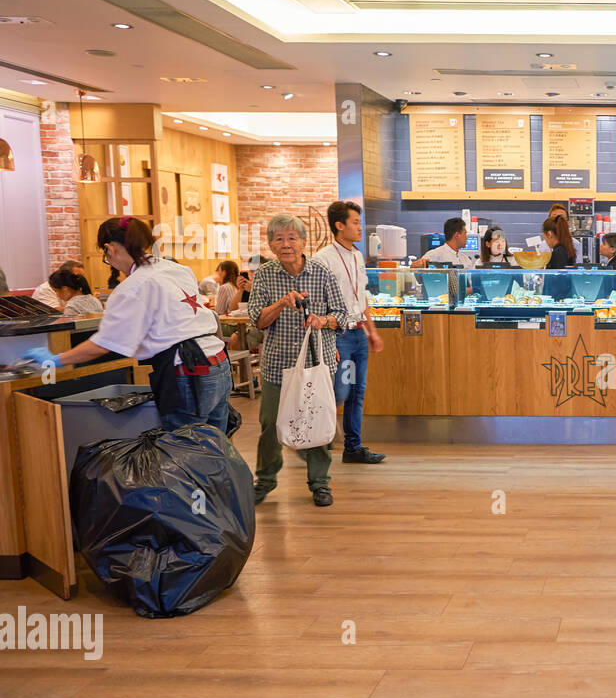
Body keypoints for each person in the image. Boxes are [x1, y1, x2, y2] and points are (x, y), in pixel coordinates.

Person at [23, 217, 230, 431]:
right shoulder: (177, 269)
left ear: (109, 248)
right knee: (216, 447)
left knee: (187, 451)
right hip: (218, 362)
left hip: (187, 371)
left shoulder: (132, 287)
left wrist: (57, 359)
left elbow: (104, 343)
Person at [248, 214, 348, 508]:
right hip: (278, 365)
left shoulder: (322, 272)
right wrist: (280, 303)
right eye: (278, 239)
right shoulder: (265, 275)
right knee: (269, 425)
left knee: (316, 421)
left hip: (318, 363)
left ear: (304, 242)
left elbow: (342, 315)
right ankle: (265, 479)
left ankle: (319, 483)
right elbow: (257, 320)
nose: (286, 244)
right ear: (270, 244)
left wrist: (323, 320)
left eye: (292, 238)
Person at [312, 200, 386, 465]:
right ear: (339, 225)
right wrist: (328, 340)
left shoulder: (357, 256)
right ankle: (312, 441)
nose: (360, 227)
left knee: (357, 392)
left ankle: (353, 448)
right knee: (338, 391)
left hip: (358, 335)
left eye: (359, 222)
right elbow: (319, 303)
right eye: (355, 222)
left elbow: (362, 297)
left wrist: (372, 332)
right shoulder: (322, 259)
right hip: (338, 335)